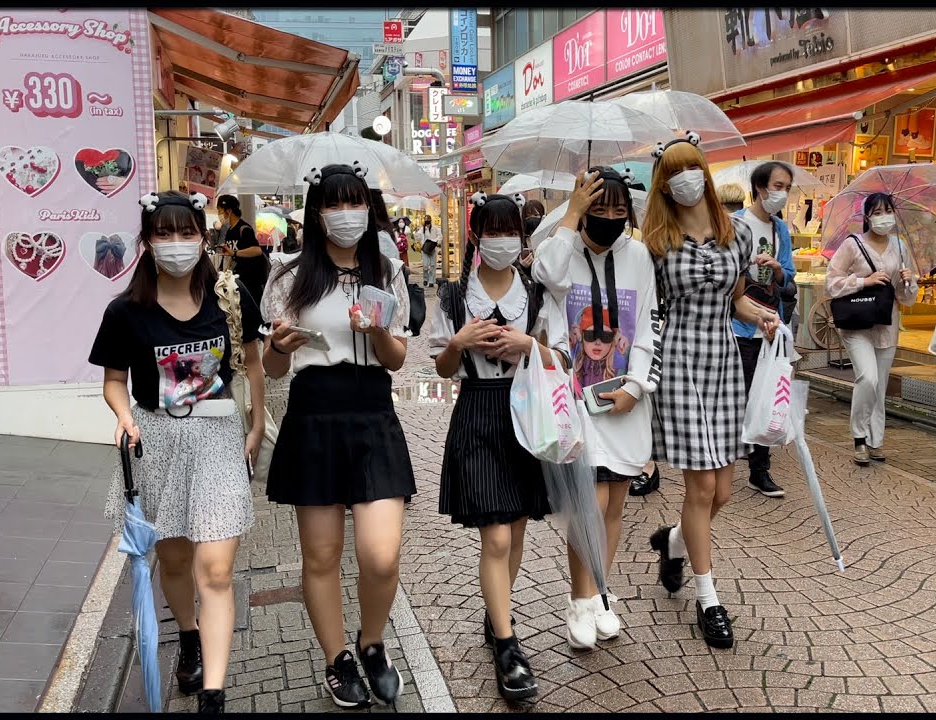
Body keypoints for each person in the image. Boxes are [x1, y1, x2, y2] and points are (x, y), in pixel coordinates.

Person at [90, 191, 263, 714]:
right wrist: (123, 416)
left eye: (186, 232)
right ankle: (187, 633)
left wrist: (256, 424)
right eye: (163, 233)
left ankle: (213, 690)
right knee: (174, 556)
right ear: (147, 242)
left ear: (202, 236)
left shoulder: (227, 295)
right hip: (157, 439)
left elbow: (253, 361)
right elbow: (114, 381)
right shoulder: (125, 311)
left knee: (214, 568)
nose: (176, 243)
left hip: (215, 437)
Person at [261, 163, 414, 709]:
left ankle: (371, 642)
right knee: (321, 556)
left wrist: (377, 332)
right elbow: (274, 369)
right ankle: (336, 659)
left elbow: (397, 359)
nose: (346, 214)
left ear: (370, 210)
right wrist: (279, 345)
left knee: (381, 556)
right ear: (317, 211)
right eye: (334, 203)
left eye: (356, 203)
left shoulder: (388, 269)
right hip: (313, 417)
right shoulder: (290, 274)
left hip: (373, 413)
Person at [642, 136, 779, 650]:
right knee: (700, 490)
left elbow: (736, 300)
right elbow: (646, 307)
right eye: (673, 173)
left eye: (690, 169)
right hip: (678, 363)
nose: (684, 179)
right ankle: (708, 599)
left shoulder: (737, 234)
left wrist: (762, 316)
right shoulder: (655, 239)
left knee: (721, 491)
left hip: (723, 364)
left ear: (702, 171)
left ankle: (672, 542)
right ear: (664, 183)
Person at [430, 192, 565, 702]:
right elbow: (442, 368)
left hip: (525, 412)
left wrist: (528, 345)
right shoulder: (451, 295)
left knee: (518, 527)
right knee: (498, 538)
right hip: (478, 412)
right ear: (476, 236)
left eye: (513, 231)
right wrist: (460, 342)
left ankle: (497, 613)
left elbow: (563, 358)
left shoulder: (534, 291)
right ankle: (507, 646)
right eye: (495, 230)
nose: (504, 240)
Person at [531, 167, 659, 650]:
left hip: (625, 403)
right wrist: (572, 214)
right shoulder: (562, 251)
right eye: (598, 210)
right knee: (589, 503)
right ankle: (580, 600)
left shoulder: (640, 257)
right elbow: (546, 274)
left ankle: (602, 593)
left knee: (614, 505)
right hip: (575, 404)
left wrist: (639, 386)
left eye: (617, 211)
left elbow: (649, 323)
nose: (608, 219)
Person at [824, 192, 918, 466]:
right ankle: (859, 437)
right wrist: (864, 281)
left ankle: (876, 441)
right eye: (877, 212)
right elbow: (831, 283)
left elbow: (906, 298)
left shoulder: (900, 247)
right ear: (866, 217)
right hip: (856, 325)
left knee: (881, 386)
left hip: (886, 325)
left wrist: (909, 281)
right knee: (868, 379)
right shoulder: (852, 245)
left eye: (888, 210)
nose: (883, 217)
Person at [732, 161, 799, 497]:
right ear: (759, 187)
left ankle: (760, 470)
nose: (782, 193)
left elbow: (790, 275)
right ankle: (728, 456)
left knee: (767, 396)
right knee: (741, 395)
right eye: (777, 185)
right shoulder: (736, 224)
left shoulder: (780, 230)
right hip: (739, 325)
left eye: (787, 187)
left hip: (771, 325)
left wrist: (775, 268)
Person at [216, 194, 269, 305]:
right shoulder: (229, 230)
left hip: (250, 281)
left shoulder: (244, 229)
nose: (219, 215)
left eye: (220, 211)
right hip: (237, 280)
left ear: (229, 211)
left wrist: (234, 252)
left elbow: (257, 250)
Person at [417, 214, 442, 287]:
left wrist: (436, 241)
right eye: (426, 222)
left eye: (428, 221)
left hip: (432, 248)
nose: (427, 223)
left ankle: (431, 281)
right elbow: (417, 236)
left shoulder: (435, 228)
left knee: (432, 265)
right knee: (425, 265)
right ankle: (425, 278)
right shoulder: (422, 229)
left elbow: (440, 236)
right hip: (424, 249)